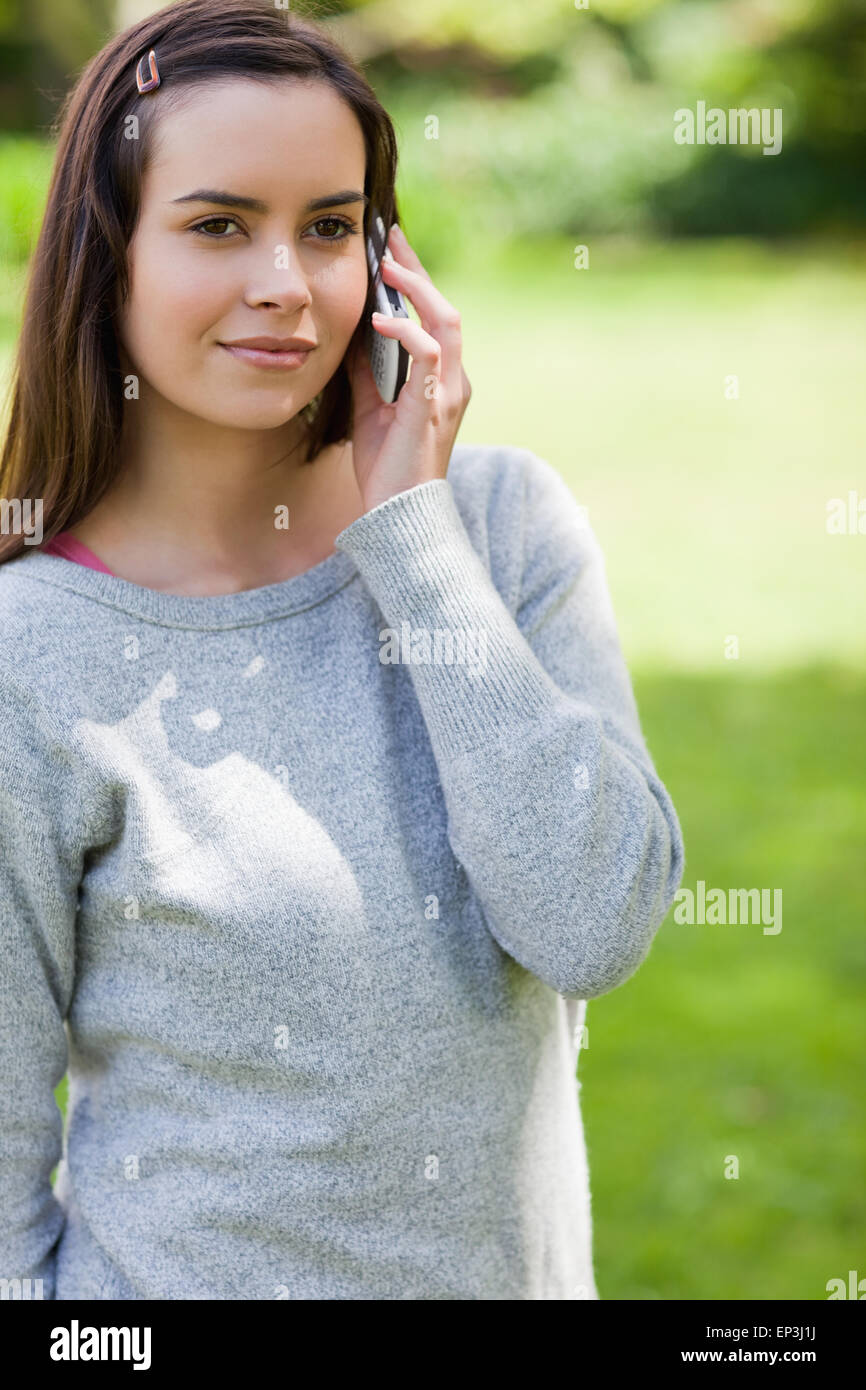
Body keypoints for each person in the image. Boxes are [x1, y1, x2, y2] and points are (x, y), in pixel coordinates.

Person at [0, 0, 685, 1301]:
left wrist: (413, 540)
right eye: (217, 224)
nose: (288, 282)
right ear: (107, 254)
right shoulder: (27, 652)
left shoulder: (500, 529)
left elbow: (592, 922)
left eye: (330, 225)